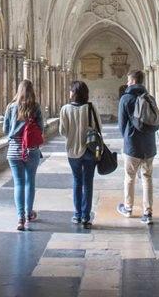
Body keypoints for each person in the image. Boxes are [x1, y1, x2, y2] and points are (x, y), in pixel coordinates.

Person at [117, 70, 156, 225]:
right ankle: (148, 212)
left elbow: (121, 124)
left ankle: (128, 208)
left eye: (128, 80)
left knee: (129, 177)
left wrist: (127, 137)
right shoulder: (149, 97)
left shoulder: (126, 98)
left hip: (132, 145)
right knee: (147, 178)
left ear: (133, 81)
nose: (127, 83)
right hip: (149, 145)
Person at [4, 79, 44, 231]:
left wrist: (15, 133)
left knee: (18, 183)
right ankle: (29, 213)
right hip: (31, 150)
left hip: (14, 151)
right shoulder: (36, 107)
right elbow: (41, 128)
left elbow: (5, 130)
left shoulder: (10, 107)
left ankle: (20, 218)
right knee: (30, 182)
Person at [59, 81, 99, 228]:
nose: (69, 93)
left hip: (72, 151)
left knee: (77, 181)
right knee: (88, 183)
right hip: (89, 150)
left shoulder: (65, 109)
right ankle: (86, 217)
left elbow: (62, 131)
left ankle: (77, 215)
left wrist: (73, 132)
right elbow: (98, 128)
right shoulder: (91, 107)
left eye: (71, 90)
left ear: (74, 93)